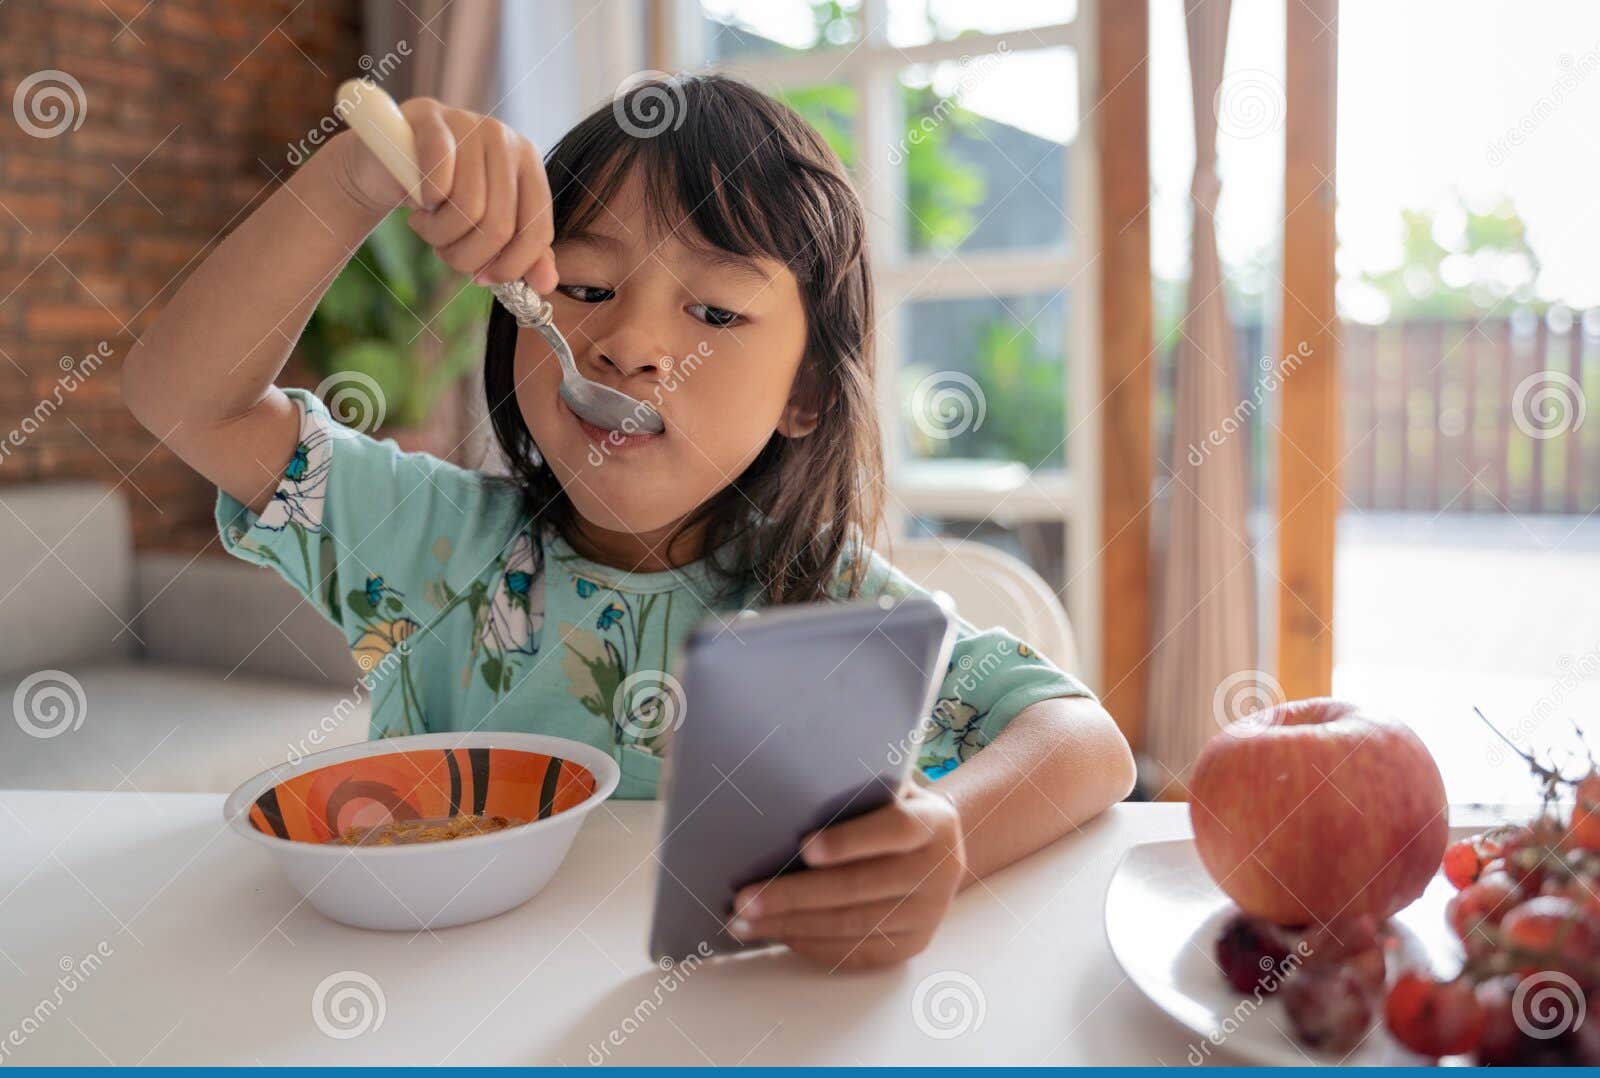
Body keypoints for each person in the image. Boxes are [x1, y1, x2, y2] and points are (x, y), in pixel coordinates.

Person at [121, 74, 1135, 969]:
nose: (633, 342)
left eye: (716, 314)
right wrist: (356, 178)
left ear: (808, 394)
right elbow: (187, 402)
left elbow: (1086, 739)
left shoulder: (833, 605)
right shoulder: (429, 541)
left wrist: (947, 832)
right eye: (586, 287)